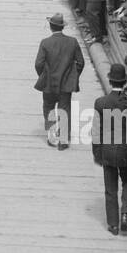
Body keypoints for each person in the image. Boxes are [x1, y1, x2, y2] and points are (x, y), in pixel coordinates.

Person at [92, 63, 127, 235]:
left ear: (110, 80)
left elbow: (96, 131)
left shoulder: (101, 103)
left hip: (108, 151)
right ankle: (126, 212)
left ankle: (113, 224)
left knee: (110, 187)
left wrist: (97, 153)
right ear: (125, 81)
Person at [33, 12, 85, 150]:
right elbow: (80, 62)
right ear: (62, 27)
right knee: (65, 109)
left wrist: (43, 76)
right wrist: (73, 76)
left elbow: (38, 64)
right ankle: (63, 140)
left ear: (50, 27)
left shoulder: (45, 42)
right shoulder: (72, 42)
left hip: (49, 83)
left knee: (48, 108)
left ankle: (51, 137)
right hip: (66, 84)